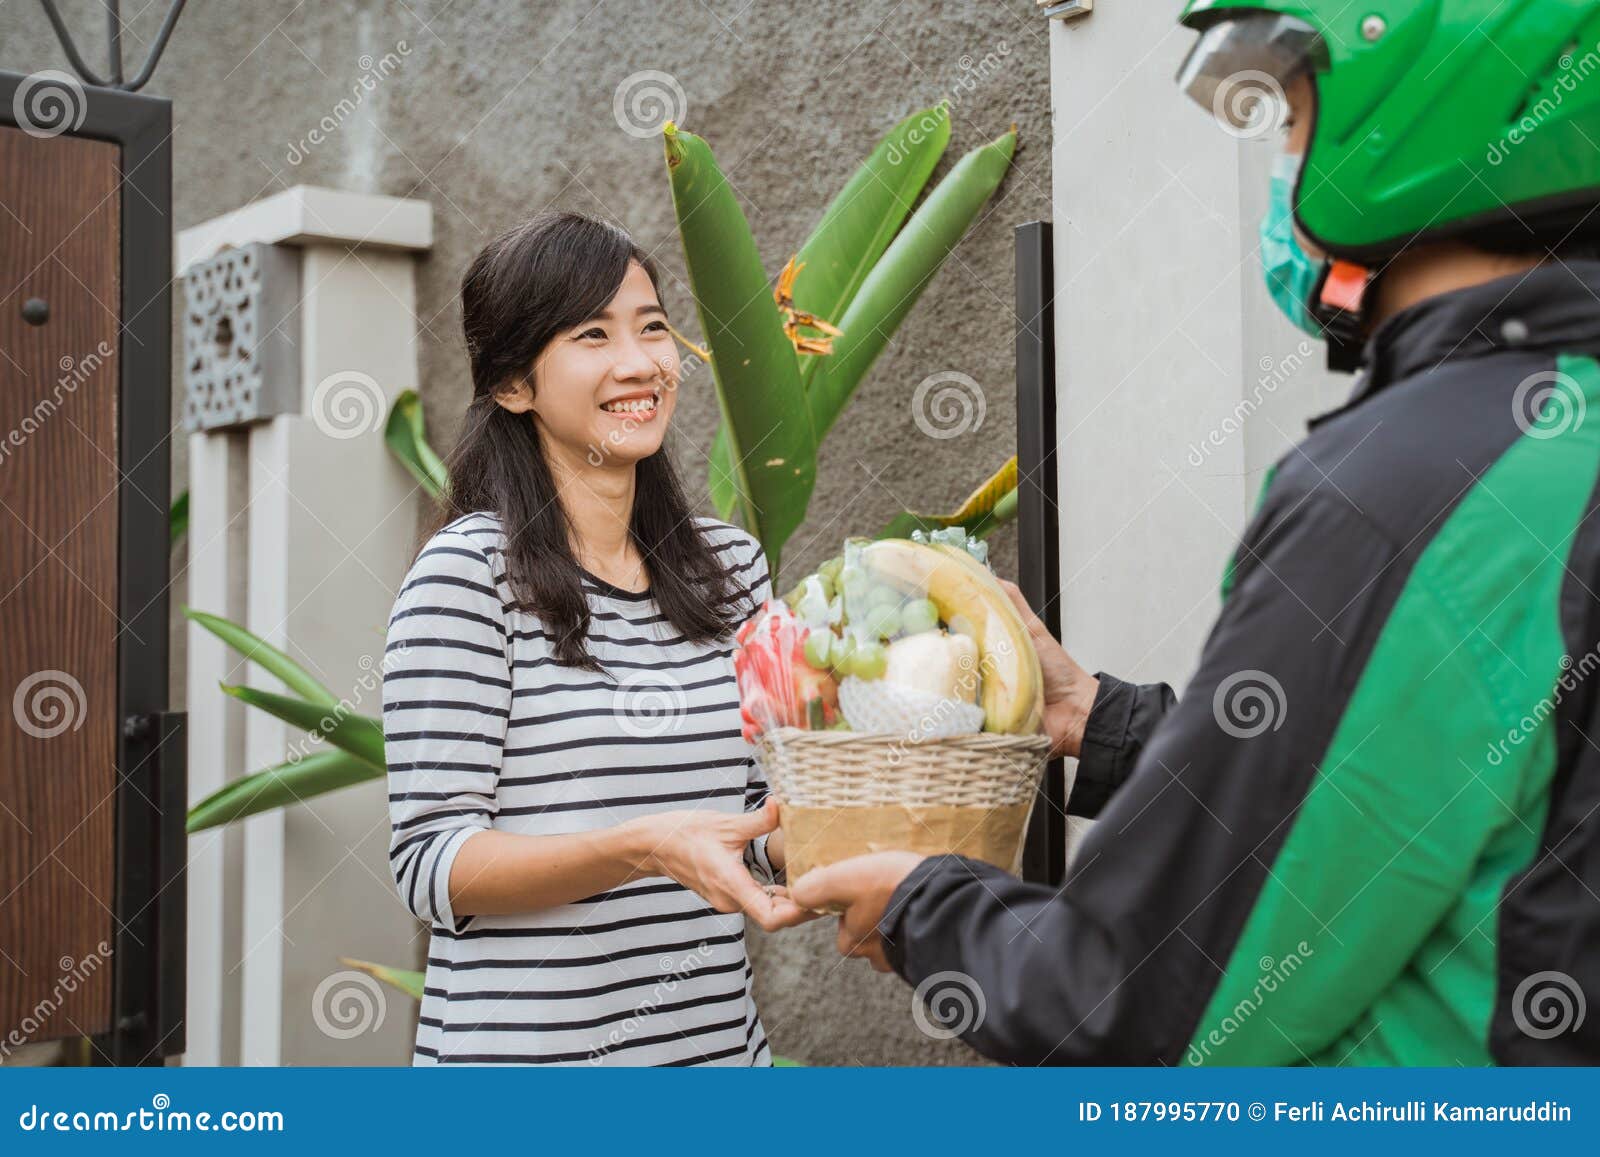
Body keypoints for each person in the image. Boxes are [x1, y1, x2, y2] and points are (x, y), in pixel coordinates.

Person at [788, 1, 1600, 1065]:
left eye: (1291, 122)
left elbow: (1149, 1000)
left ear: (1412, 117)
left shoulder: (1424, 483)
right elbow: (1398, 800)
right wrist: (1100, 718)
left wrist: (922, 908)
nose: (1283, 167)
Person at [382, 210, 806, 1066]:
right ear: (513, 384)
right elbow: (434, 864)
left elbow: (764, 818)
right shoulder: (467, 577)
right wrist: (643, 847)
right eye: (592, 334)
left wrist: (861, 817)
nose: (641, 362)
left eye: (653, 327)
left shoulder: (733, 567)